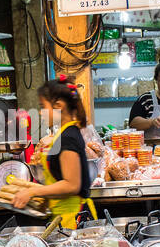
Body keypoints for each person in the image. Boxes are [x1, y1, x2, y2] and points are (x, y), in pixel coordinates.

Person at [13, 76, 97, 229]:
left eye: (43, 107)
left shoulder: (68, 137)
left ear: (58, 105)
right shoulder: (63, 134)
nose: (40, 113)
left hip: (73, 219)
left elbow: (71, 185)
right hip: (62, 217)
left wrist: (32, 192)